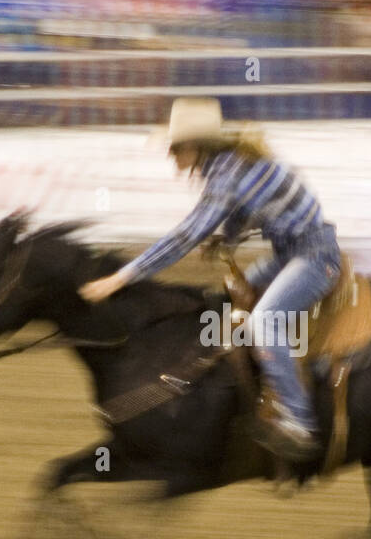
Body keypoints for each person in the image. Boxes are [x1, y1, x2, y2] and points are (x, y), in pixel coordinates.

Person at [79, 98, 341, 461]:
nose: (172, 158)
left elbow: (184, 237)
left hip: (314, 257)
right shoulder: (230, 165)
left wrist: (122, 277)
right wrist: (227, 238)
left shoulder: (227, 172)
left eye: (174, 150)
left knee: (264, 319)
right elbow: (246, 208)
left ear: (193, 146)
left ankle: (300, 420)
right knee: (235, 296)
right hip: (293, 252)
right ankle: (261, 379)